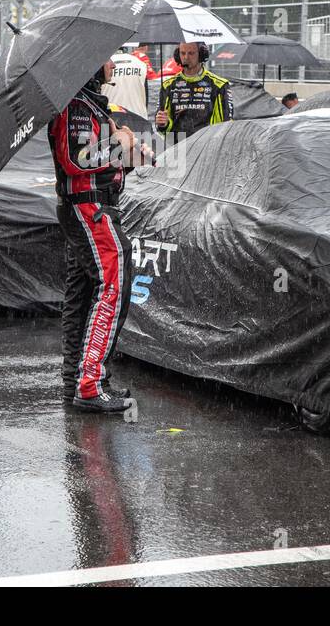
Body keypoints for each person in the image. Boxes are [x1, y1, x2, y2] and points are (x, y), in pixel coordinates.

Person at [49, 60, 139, 414]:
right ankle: (89, 383)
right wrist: (120, 144)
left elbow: (105, 160)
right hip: (89, 209)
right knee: (114, 283)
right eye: (106, 59)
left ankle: (80, 378)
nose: (111, 63)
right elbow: (76, 159)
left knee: (83, 293)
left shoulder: (87, 102)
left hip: (89, 207)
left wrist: (127, 151)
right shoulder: (76, 105)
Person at [155, 41, 233, 139]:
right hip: (178, 147)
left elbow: (226, 125)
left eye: (191, 53)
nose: (186, 57)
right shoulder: (168, 85)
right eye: (182, 53)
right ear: (177, 55)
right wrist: (163, 124)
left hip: (206, 146)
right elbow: (161, 127)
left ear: (201, 54)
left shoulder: (219, 85)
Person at [102, 51, 148, 118]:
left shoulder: (104, 63)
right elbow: (145, 94)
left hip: (110, 116)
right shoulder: (140, 63)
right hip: (138, 116)